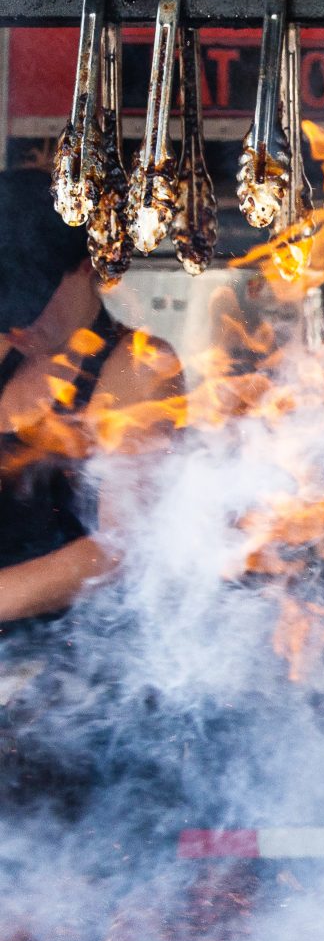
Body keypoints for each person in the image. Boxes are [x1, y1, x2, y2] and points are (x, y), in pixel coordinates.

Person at [0, 168, 181, 626]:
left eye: (30, 303)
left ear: (84, 267)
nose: (15, 327)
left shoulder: (139, 366)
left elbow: (123, 543)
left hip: (75, 647)